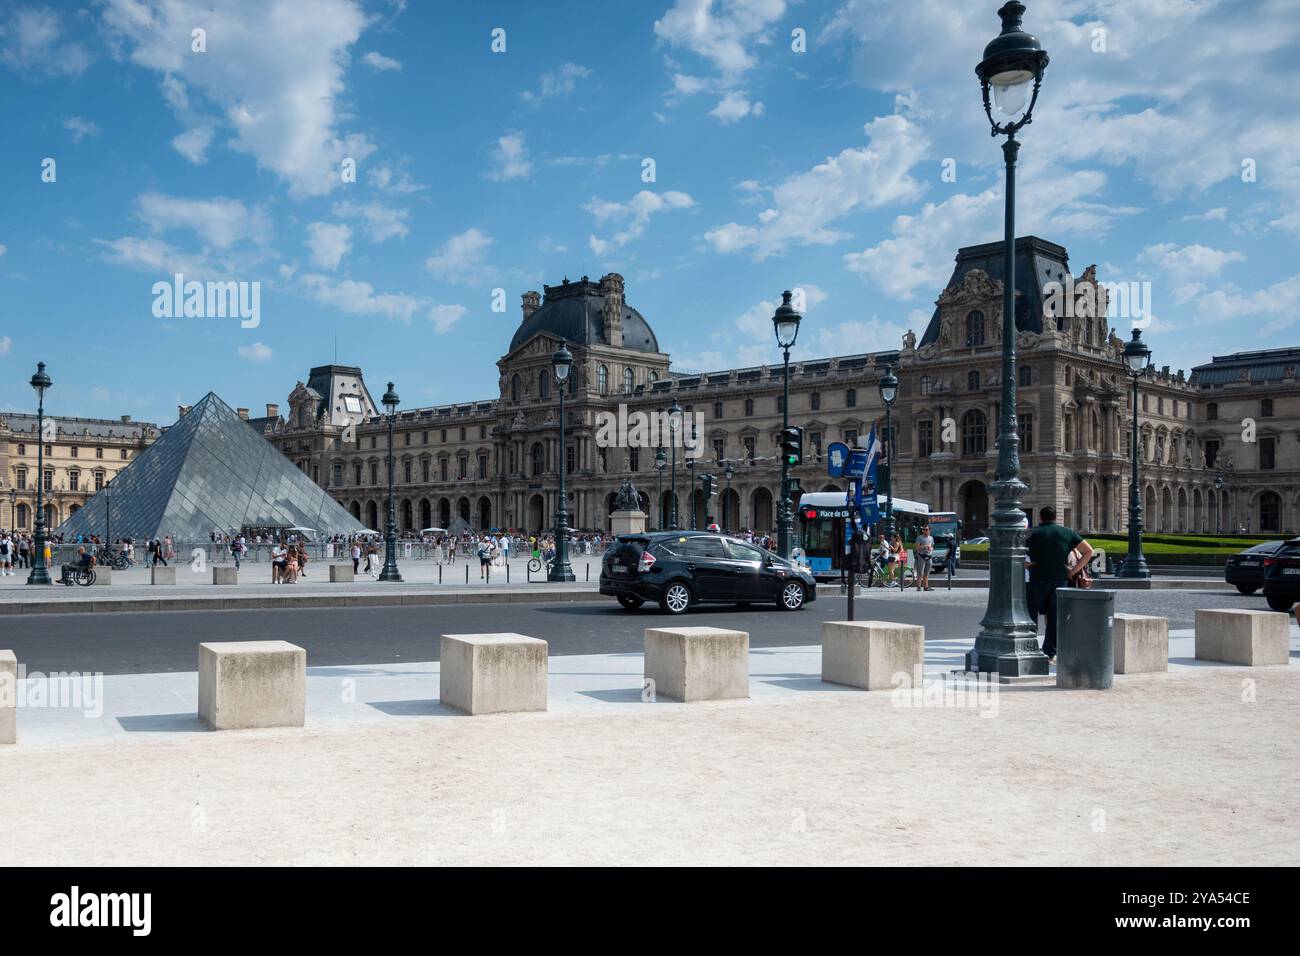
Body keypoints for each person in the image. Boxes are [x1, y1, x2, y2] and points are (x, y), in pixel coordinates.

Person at [1025, 506, 1094, 664]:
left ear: (1040, 518)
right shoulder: (1067, 532)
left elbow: (1014, 552)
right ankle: (1049, 653)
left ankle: (1030, 649)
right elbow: (1088, 551)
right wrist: (1073, 571)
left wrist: (1024, 564)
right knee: (1055, 618)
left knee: (1031, 616)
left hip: (1037, 580)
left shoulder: (1032, 533)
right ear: (1056, 517)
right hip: (1060, 580)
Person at [915, 524, 934, 591]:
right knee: (920, 572)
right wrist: (925, 546)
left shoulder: (931, 538)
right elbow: (917, 548)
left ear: (929, 530)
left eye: (926, 530)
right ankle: (919, 586)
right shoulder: (919, 537)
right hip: (921, 556)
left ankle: (926, 587)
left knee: (927, 572)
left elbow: (932, 546)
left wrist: (931, 549)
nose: (925, 531)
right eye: (924, 530)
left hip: (929, 555)